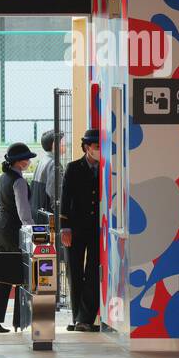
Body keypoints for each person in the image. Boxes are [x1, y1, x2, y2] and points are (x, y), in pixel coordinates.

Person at [0, 142, 36, 333]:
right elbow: (24, 212)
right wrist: (32, 232)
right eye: (27, 158)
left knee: (4, 276)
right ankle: (19, 320)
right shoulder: (19, 181)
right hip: (13, 231)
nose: (29, 161)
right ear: (20, 162)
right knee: (21, 276)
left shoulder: (3, 177)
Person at [60, 128, 101, 332]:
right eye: (96, 146)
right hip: (75, 228)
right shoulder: (73, 168)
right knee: (74, 271)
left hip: (96, 229)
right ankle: (77, 317)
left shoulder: (106, 168)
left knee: (93, 272)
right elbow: (65, 199)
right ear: (87, 147)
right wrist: (64, 227)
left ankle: (86, 318)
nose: (99, 150)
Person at [29, 129, 60, 221]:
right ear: (54, 144)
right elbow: (54, 193)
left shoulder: (43, 161)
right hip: (49, 216)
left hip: (38, 212)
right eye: (62, 141)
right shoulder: (54, 163)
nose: (66, 144)